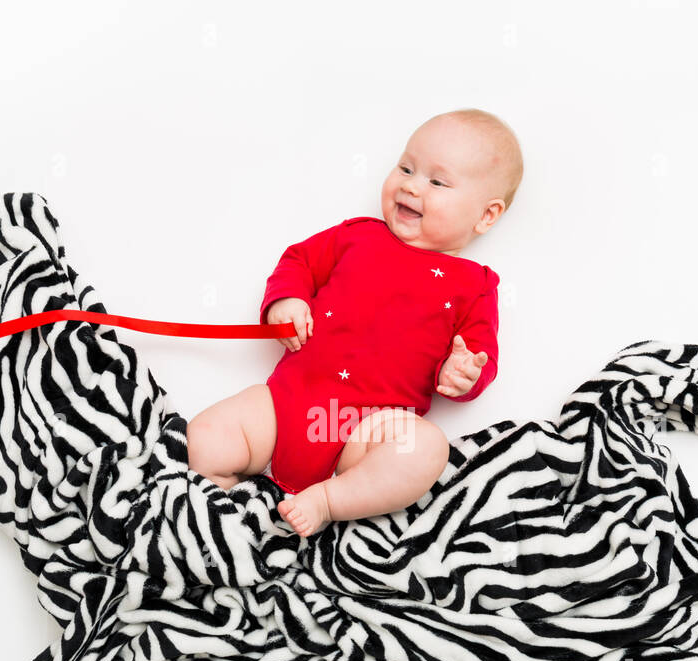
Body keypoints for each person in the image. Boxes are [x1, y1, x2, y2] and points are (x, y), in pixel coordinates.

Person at [188, 108, 523, 538]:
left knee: (425, 448)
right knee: (205, 437)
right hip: (284, 408)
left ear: (486, 215)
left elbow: (479, 353)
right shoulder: (357, 235)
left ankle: (328, 501)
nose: (410, 184)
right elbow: (299, 261)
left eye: (436, 182)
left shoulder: (474, 286)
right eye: (406, 167)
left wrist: (464, 373)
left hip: (364, 437)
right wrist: (286, 301)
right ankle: (226, 514)